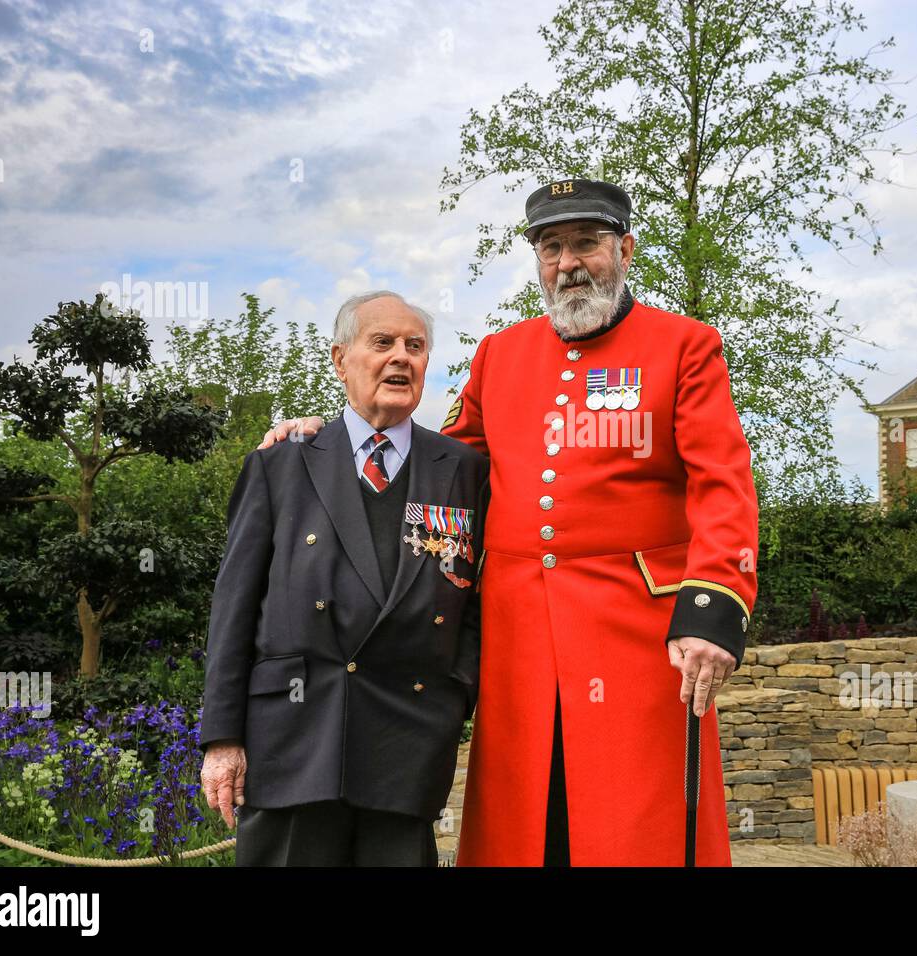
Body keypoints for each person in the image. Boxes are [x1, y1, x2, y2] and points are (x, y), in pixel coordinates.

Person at [262, 178, 759, 865]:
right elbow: (440, 467)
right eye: (551, 247)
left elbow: (722, 482)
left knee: (630, 828)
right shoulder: (502, 354)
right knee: (525, 827)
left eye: (586, 242)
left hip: (638, 638)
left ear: (626, 249)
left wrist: (710, 606)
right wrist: (338, 440)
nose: (568, 262)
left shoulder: (684, 346)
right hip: (517, 635)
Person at [201, 290, 488, 864]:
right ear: (340, 359)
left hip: (408, 741)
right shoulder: (280, 463)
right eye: (381, 343)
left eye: (416, 346)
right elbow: (233, 607)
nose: (400, 357)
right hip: (293, 739)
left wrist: (455, 696)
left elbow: (481, 604)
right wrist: (223, 738)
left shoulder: (465, 470)